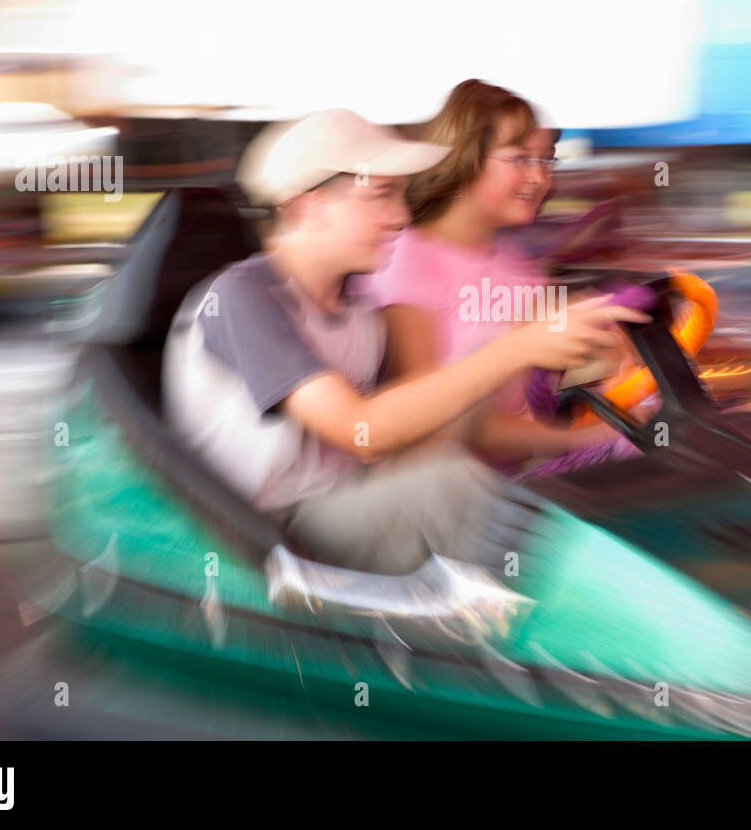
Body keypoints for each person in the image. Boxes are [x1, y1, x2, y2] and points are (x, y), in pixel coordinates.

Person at [162, 109, 646, 576]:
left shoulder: (359, 314)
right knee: (449, 487)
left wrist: (594, 429)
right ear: (304, 207)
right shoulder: (239, 297)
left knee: (464, 432)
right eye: (380, 196)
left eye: (400, 196)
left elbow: (439, 416)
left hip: (352, 498)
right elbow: (360, 432)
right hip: (270, 531)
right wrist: (513, 351)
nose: (400, 217)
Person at [368, 80, 619, 468]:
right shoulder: (406, 259)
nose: (539, 178)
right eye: (520, 159)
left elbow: (540, 389)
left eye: (546, 160)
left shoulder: (517, 265)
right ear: (465, 158)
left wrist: (617, 353)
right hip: (453, 485)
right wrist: (587, 439)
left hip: (524, 472)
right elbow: (432, 429)